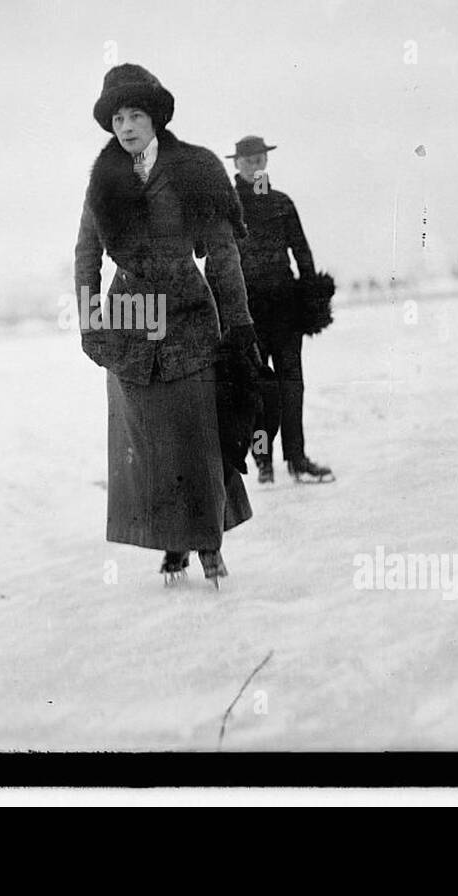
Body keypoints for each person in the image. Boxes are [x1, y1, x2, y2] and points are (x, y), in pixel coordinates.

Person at [74, 64, 260, 587]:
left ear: (155, 116)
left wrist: (240, 324)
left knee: (197, 439)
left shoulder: (195, 169)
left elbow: (222, 255)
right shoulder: (104, 180)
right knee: (149, 444)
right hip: (130, 327)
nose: (127, 126)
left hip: (188, 322)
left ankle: (208, 545)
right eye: (117, 116)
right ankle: (171, 543)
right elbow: (86, 253)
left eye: (136, 114)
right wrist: (92, 325)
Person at [219, 136, 334, 484]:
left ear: (265, 162)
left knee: (291, 385)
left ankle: (297, 458)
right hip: (247, 313)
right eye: (247, 160)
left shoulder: (282, 203)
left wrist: (311, 299)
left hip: (285, 310)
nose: (254, 165)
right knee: (256, 390)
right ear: (236, 164)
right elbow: (218, 258)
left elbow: (302, 252)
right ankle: (262, 460)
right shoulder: (227, 207)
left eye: (259, 160)